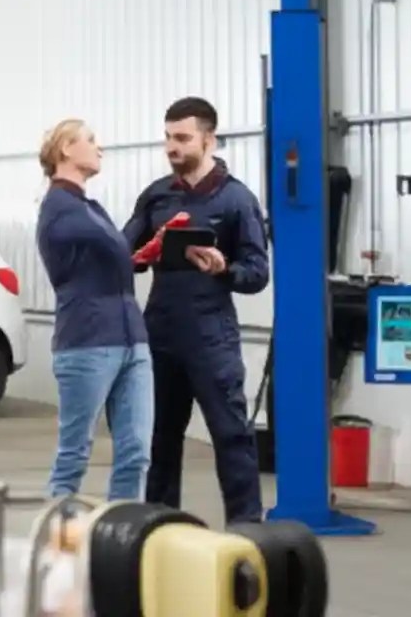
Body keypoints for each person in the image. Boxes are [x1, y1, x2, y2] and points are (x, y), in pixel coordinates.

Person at [121, 96, 269, 525]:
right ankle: (158, 527)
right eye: (168, 138)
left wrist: (225, 269)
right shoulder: (156, 197)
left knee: (231, 434)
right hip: (160, 332)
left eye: (183, 138)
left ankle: (246, 528)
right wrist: (139, 255)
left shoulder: (236, 199)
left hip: (211, 336)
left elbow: (258, 273)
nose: (172, 147)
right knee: (159, 438)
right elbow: (122, 252)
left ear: (209, 140)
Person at [35, 118, 154, 500]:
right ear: (66, 149)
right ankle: (55, 526)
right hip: (88, 341)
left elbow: (109, 257)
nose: (99, 147)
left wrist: (139, 252)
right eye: (90, 140)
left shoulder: (90, 208)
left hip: (131, 338)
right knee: (74, 454)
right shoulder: (59, 207)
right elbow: (87, 258)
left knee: (136, 452)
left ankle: (124, 528)